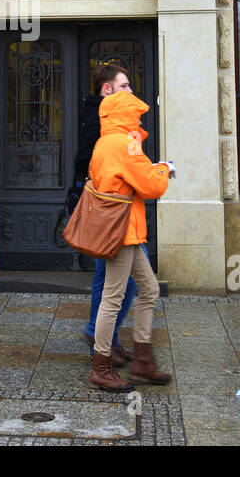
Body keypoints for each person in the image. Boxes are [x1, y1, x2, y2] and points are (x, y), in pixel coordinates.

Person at [87, 89, 172, 392]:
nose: (138, 117)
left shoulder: (102, 143)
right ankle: (102, 368)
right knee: (113, 298)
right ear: (125, 115)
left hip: (124, 231)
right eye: (135, 114)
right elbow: (150, 185)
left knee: (148, 289)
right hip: (123, 232)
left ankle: (142, 361)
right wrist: (164, 168)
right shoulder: (126, 145)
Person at [68, 65, 138, 367]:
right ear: (107, 89)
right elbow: (83, 161)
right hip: (108, 209)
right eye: (123, 86)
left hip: (113, 209)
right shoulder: (101, 118)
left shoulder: (107, 116)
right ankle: (100, 340)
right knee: (124, 280)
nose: (130, 92)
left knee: (108, 276)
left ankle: (103, 340)